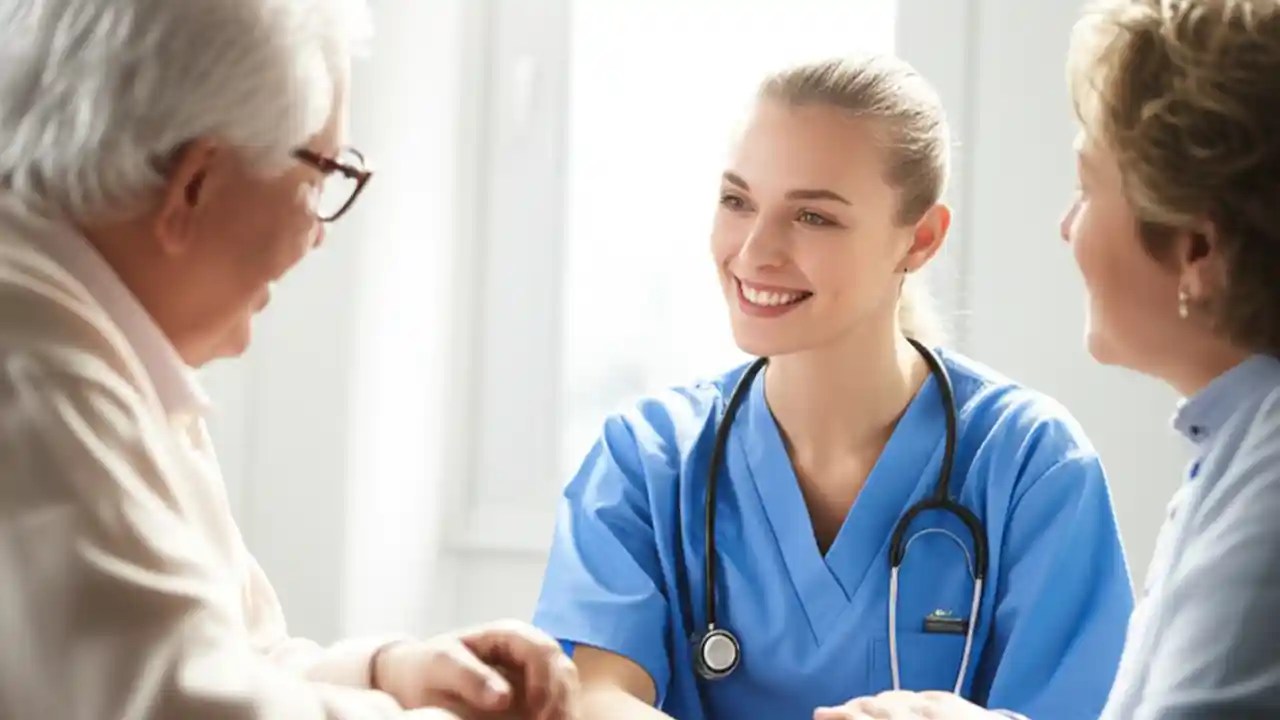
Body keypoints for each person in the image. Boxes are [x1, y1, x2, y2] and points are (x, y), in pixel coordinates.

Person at [0, 1, 576, 718]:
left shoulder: (106, 348)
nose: (317, 237)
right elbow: (182, 706)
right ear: (195, 182)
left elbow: (223, 659)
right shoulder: (37, 379)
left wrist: (393, 675)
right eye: (323, 176)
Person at [531, 54, 1134, 720]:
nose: (756, 250)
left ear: (921, 240)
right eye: (738, 201)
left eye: (813, 217)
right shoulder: (646, 461)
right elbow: (593, 698)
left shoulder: (1031, 466)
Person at [826, 1, 1280, 719]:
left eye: (1088, 188)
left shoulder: (1269, 490)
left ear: (1196, 248)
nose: (1066, 227)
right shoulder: (1235, 442)